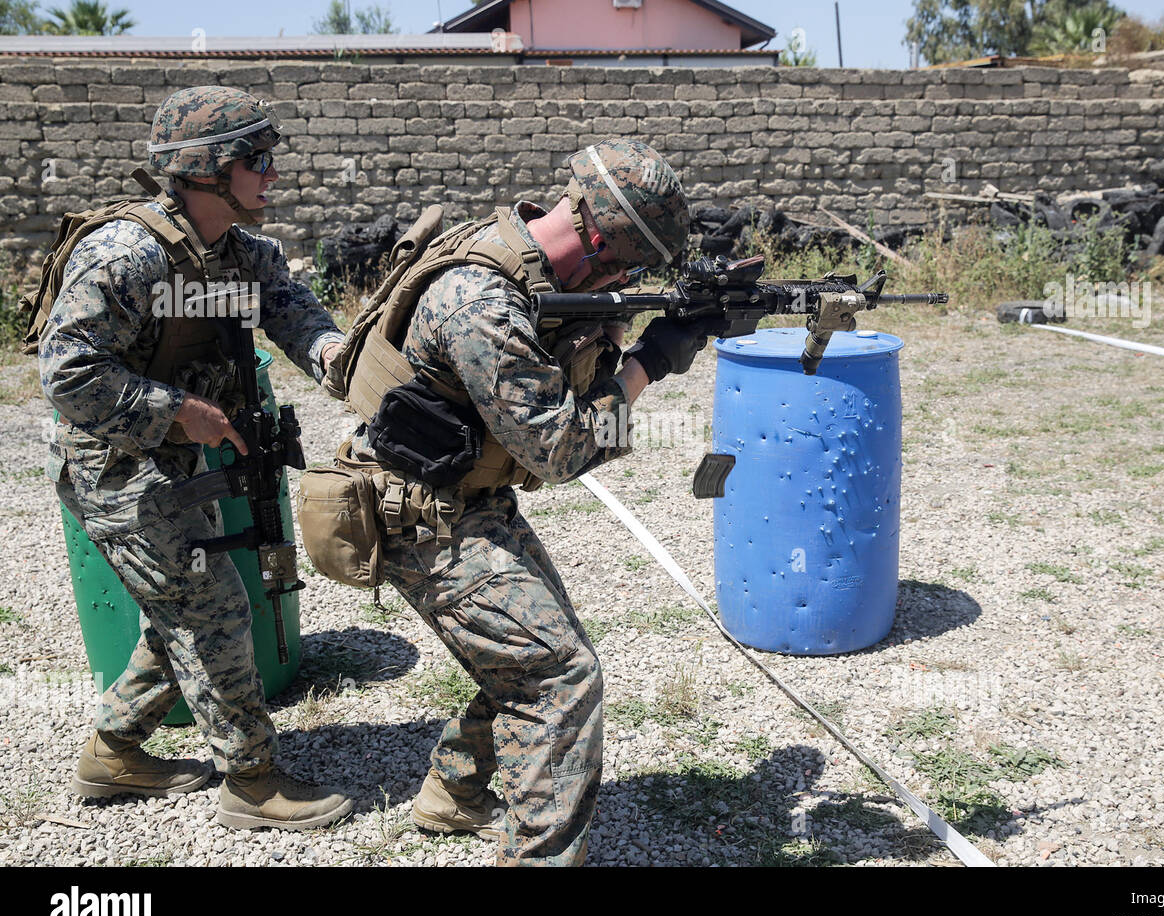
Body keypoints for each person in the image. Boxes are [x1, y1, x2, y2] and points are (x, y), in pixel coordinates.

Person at [340, 140, 707, 864]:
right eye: (627, 267)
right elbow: (562, 448)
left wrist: (607, 335)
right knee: (559, 675)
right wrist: (647, 364)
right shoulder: (482, 300)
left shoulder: (523, 260)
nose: (628, 281)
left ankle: (453, 794)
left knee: (535, 653)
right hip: (419, 514)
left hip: (465, 495)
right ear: (596, 238)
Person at [38, 86, 353, 830]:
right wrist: (177, 411)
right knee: (211, 607)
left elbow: (297, 317)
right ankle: (251, 783)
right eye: (258, 161)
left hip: (182, 467)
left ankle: (111, 754)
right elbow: (67, 374)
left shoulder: (242, 254)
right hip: (116, 466)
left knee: (180, 607)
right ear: (210, 170)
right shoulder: (125, 254)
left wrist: (349, 362)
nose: (272, 176)